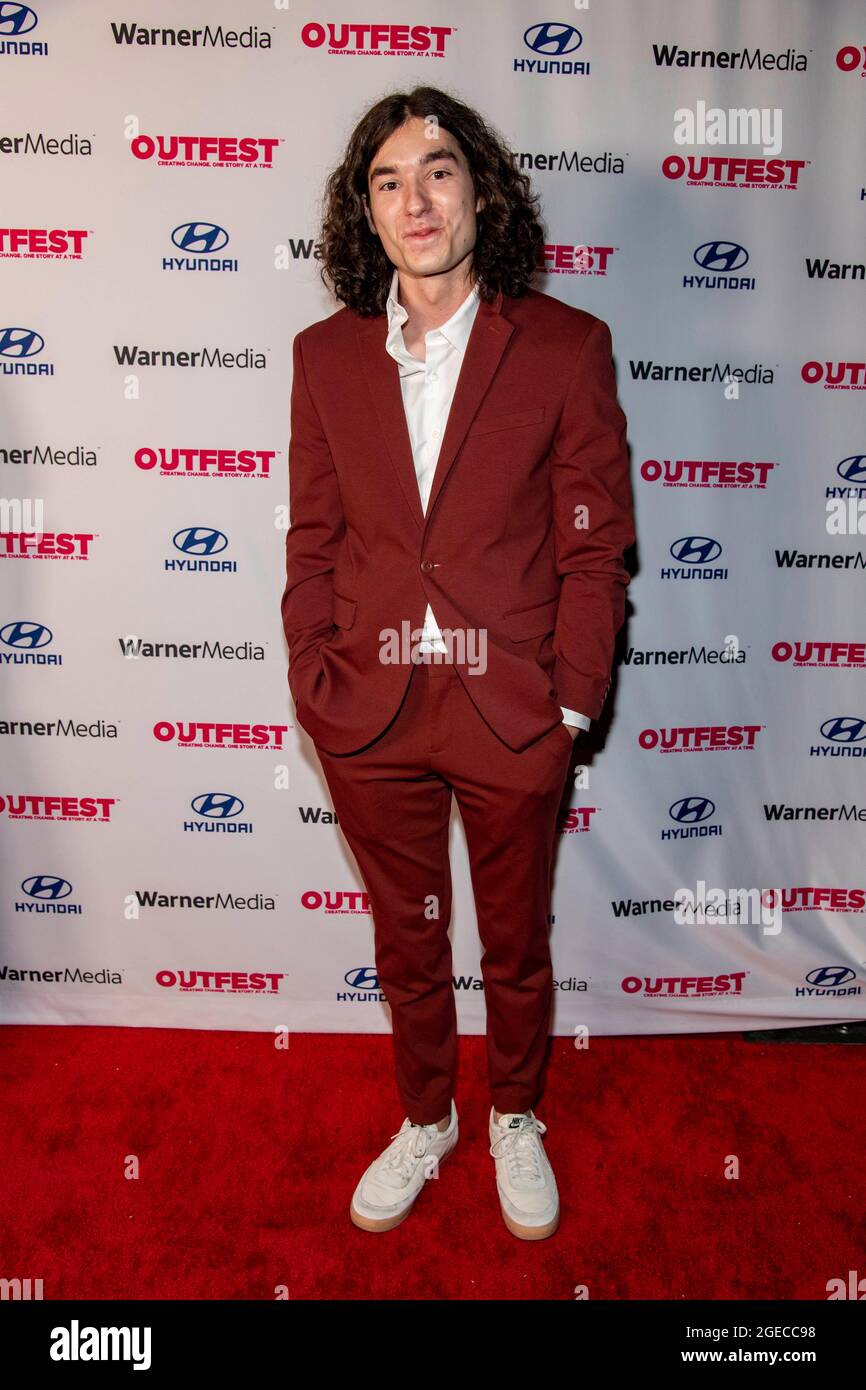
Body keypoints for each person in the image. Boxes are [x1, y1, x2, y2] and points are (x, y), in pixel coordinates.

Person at [281, 84, 635, 1240]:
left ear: (479, 188)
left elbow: (596, 540)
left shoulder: (566, 346)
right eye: (386, 181)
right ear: (365, 214)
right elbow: (314, 534)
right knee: (407, 935)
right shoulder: (323, 357)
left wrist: (574, 699)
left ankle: (515, 1111)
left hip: (511, 703)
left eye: (435, 171)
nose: (414, 199)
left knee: (513, 936)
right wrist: (310, 671)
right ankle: (427, 1113)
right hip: (368, 702)